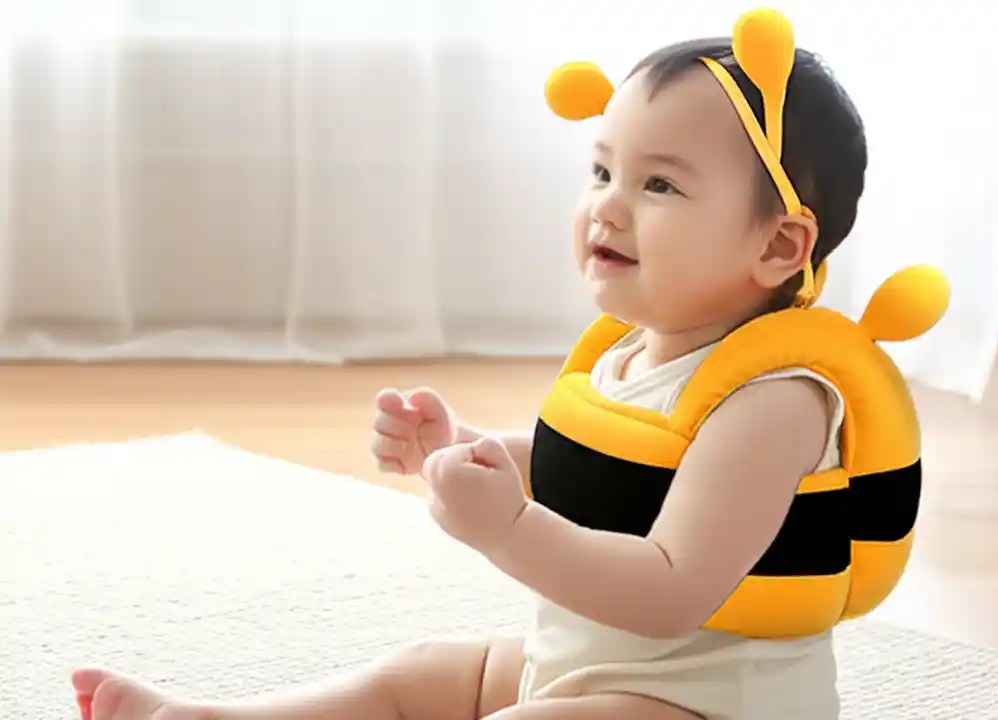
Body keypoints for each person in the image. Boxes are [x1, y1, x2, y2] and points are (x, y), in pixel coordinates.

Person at [69, 8, 884, 719]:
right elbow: (598, 476)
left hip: (702, 703)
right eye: (602, 171)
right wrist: (464, 447)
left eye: (660, 185)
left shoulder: (772, 403)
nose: (606, 203)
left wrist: (509, 529)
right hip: (581, 667)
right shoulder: (637, 356)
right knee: (418, 674)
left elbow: (671, 593)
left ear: (779, 244)